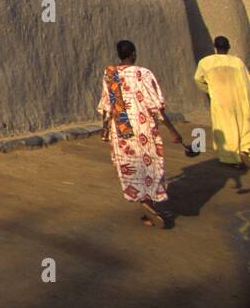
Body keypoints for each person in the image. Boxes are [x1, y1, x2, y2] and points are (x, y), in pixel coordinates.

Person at [98, 39, 186, 228]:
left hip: (120, 129)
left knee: (132, 166)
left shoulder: (109, 74)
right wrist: (173, 131)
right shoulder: (143, 73)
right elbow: (156, 106)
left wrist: (105, 129)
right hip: (143, 127)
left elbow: (107, 105)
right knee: (151, 163)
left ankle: (145, 204)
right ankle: (149, 204)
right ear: (134, 53)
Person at [194, 35, 250, 169]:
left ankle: (231, 158)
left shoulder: (205, 62)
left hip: (220, 100)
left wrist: (210, 90)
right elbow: (247, 81)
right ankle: (245, 149)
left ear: (215, 47)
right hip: (239, 99)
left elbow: (198, 80)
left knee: (226, 127)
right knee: (244, 125)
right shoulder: (237, 62)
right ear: (228, 47)